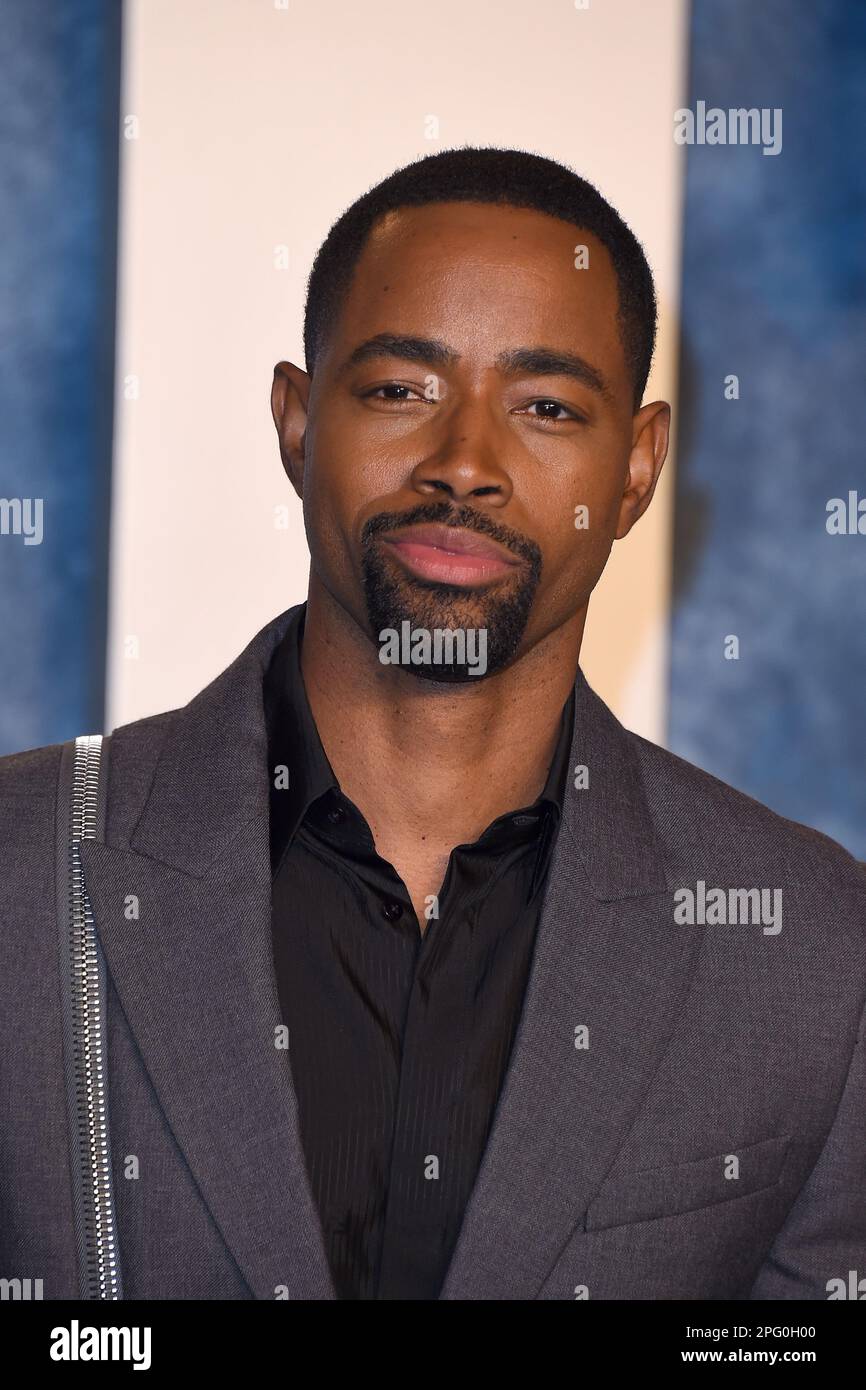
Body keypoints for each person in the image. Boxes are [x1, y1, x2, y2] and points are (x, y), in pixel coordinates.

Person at [2, 147, 864, 1301]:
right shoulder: (22, 864)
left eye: (546, 406)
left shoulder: (810, 949)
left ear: (637, 467)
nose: (464, 463)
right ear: (298, 424)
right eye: (401, 390)